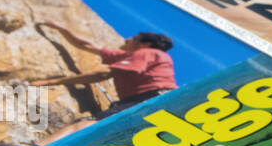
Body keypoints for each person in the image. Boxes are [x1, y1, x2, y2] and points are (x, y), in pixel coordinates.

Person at [34, 23, 177, 136]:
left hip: (151, 98)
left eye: (133, 38)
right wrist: (61, 28)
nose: (127, 39)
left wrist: (51, 82)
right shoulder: (128, 56)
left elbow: (103, 75)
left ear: (145, 44)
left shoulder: (148, 53)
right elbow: (86, 45)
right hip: (155, 102)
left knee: (89, 125)